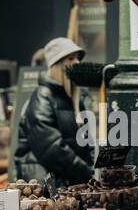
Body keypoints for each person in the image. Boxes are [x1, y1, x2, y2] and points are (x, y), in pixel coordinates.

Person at [14, 37, 94, 187]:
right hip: (48, 189)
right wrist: (87, 174)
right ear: (57, 64)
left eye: (78, 59)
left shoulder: (75, 99)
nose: (76, 63)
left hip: (71, 186)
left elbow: (86, 141)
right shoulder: (42, 98)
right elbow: (52, 149)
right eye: (70, 58)